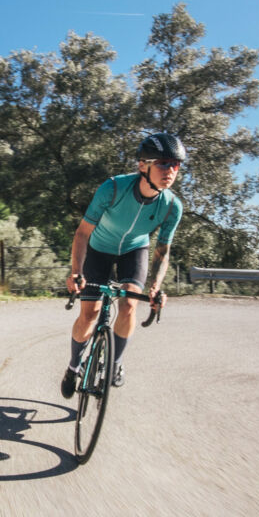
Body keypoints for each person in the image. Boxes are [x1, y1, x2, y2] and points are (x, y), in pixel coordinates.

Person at [61, 133, 186, 398]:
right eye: (164, 163)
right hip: (98, 248)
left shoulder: (172, 206)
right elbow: (83, 233)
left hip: (134, 250)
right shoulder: (113, 188)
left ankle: (115, 363)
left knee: (129, 305)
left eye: (176, 165)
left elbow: (162, 248)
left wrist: (155, 287)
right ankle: (73, 366)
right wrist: (76, 272)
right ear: (143, 165)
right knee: (89, 313)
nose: (171, 170)